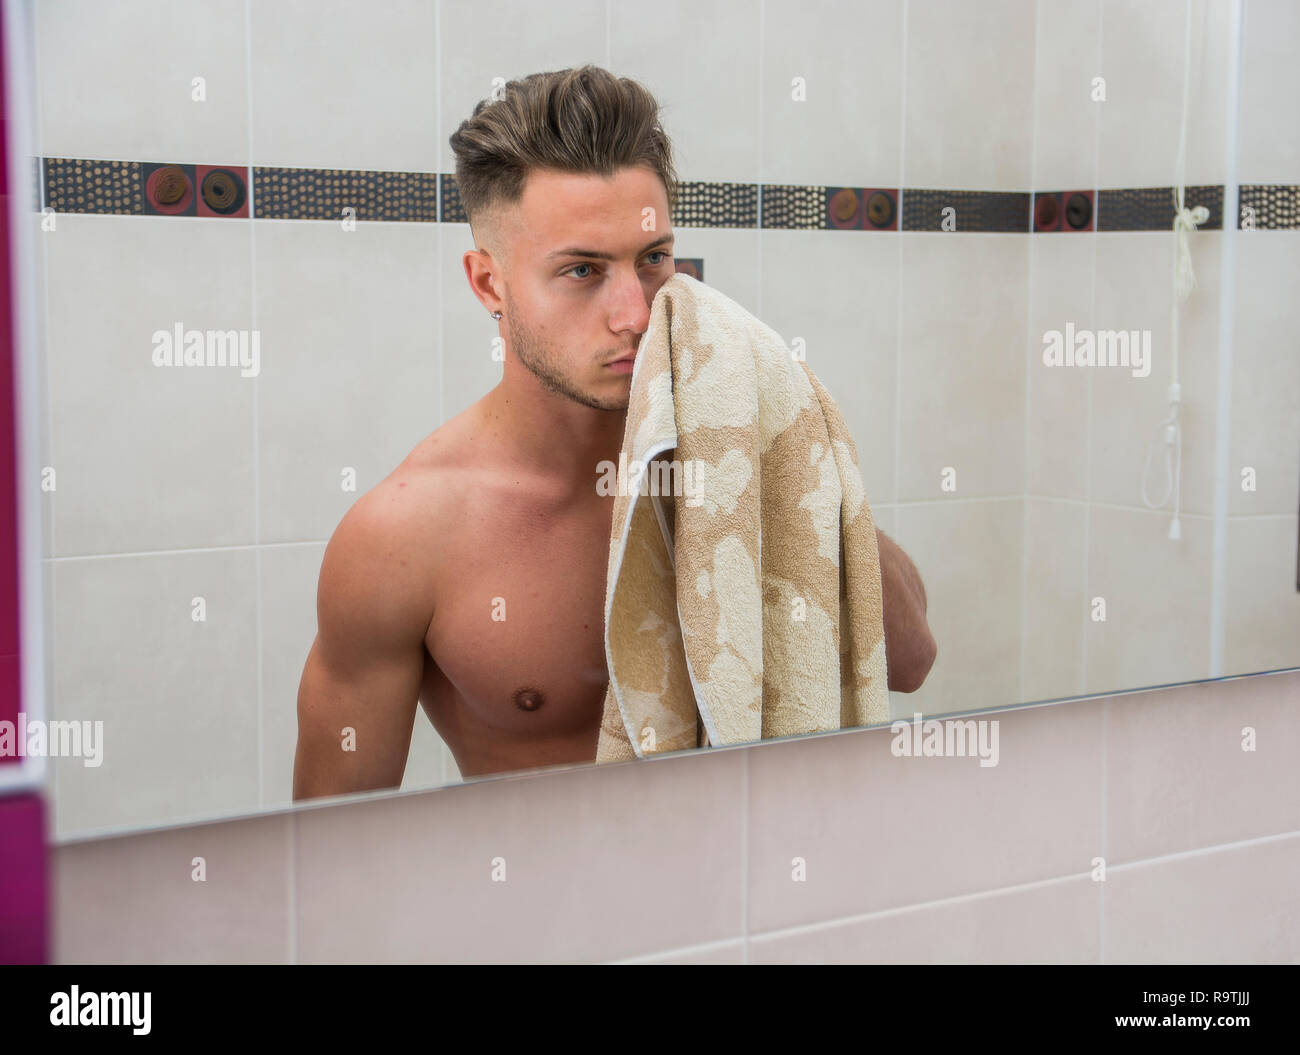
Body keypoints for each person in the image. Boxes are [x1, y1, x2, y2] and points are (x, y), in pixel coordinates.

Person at [293, 66, 935, 799]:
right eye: (582, 270)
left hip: (757, 896)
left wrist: (786, 445)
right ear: (488, 284)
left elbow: (911, 659)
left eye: (652, 259)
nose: (634, 311)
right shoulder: (403, 537)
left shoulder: (730, 457)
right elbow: (327, 850)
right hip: (547, 906)